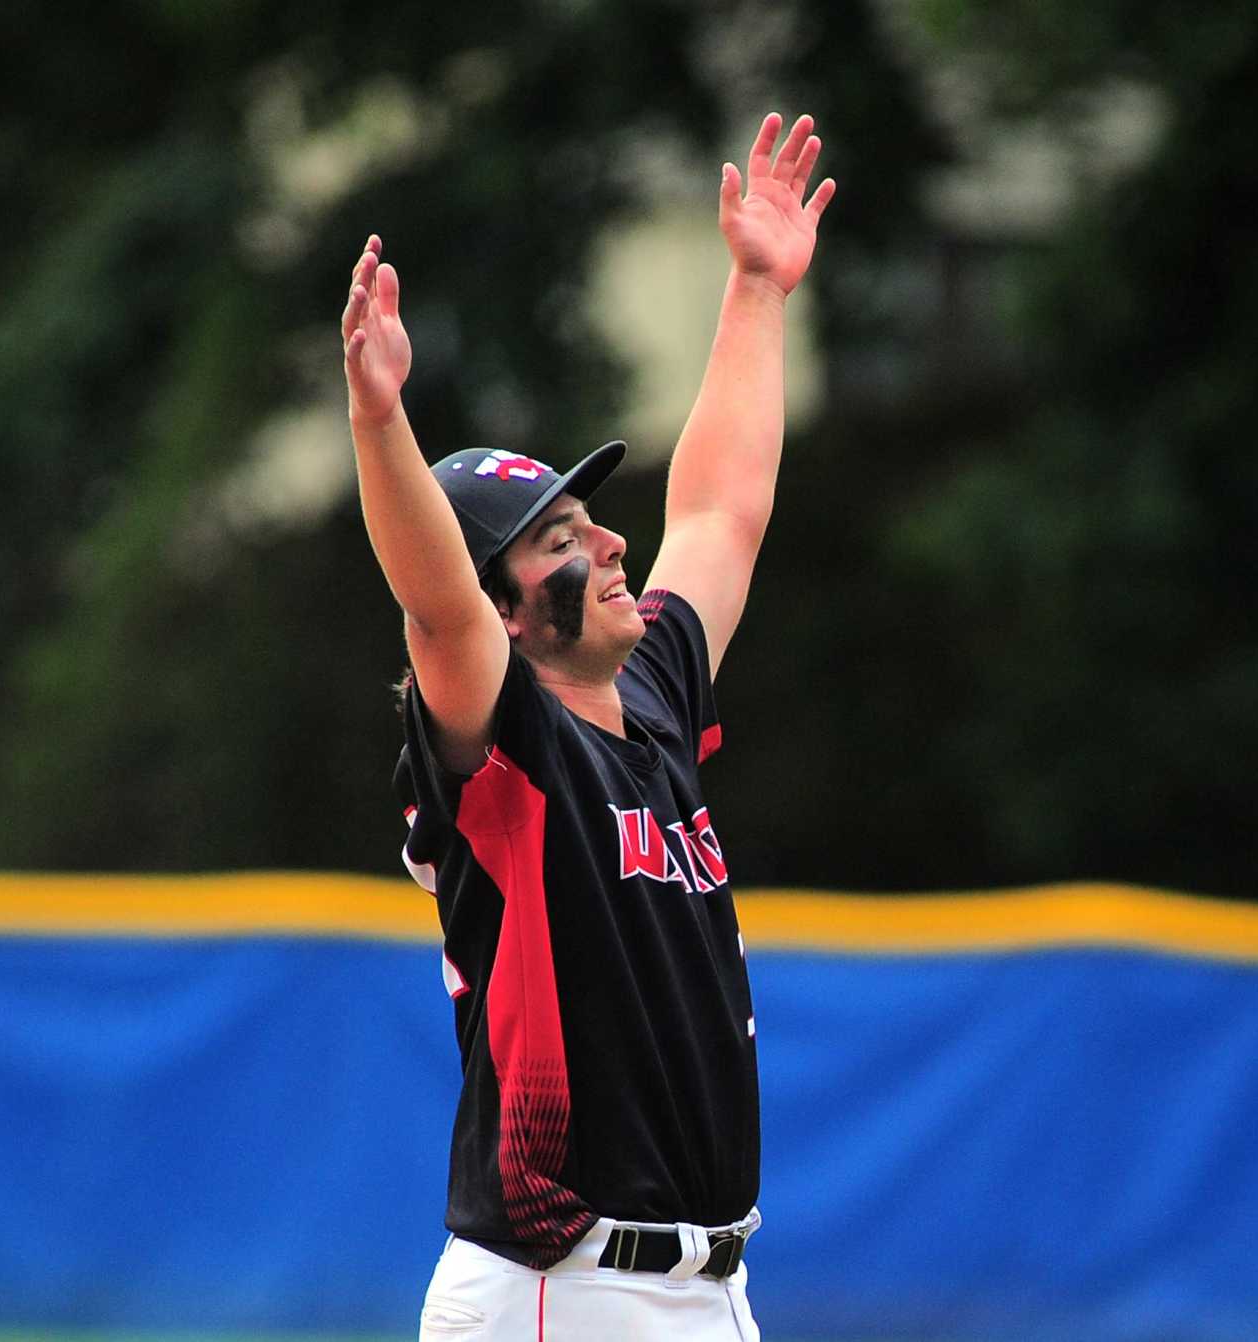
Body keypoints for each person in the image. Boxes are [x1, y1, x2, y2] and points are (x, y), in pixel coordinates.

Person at [341, 113, 835, 1341]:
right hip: (565, 1291)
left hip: (705, 1289)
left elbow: (719, 510)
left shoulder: (656, 698)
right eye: (560, 541)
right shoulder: (511, 748)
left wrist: (758, 289)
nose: (611, 543)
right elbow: (438, 606)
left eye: (592, 521)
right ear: (504, 611)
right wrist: (377, 424)